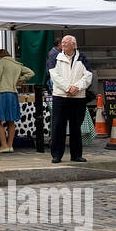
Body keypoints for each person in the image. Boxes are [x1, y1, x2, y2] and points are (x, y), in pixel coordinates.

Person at [49, 35, 92, 164]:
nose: (63, 44)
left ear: (74, 44)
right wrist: (68, 88)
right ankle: (57, 155)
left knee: (76, 127)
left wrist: (77, 88)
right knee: (58, 126)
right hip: (60, 97)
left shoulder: (82, 58)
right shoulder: (55, 57)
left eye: (66, 42)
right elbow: (54, 75)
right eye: (62, 42)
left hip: (78, 98)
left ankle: (76, 154)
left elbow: (88, 75)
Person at [0, 48, 34, 153]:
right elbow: (31, 73)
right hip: (13, 94)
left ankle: (4, 145)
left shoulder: (1, 61)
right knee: (11, 121)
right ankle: (10, 145)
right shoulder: (16, 64)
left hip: (1, 93)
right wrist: (21, 80)